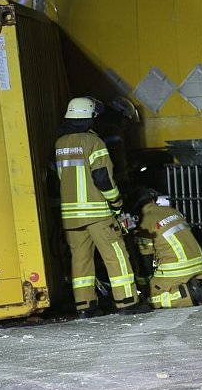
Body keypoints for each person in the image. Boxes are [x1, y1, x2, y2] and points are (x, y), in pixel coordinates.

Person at [54, 96, 148, 318]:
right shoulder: (93, 142)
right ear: (89, 116)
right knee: (116, 255)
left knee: (80, 259)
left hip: (70, 216)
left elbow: (56, 179)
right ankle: (127, 302)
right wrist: (116, 203)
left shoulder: (60, 143)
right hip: (97, 212)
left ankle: (85, 306)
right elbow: (103, 178)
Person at [130, 188, 202, 308]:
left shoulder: (144, 222)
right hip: (199, 266)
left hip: (176, 271)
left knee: (149, 299)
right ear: (153, 200)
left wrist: (142, 284)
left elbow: (145, 263)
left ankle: (189, 294)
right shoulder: (172, 211)